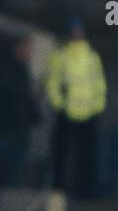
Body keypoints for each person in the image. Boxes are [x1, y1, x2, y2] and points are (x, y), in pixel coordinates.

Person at [45, 19, 106, 199]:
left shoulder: (92, 57)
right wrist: (59, 105)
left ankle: (87, 192)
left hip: (89, 113)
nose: (77, 35)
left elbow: (99, 83)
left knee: (87, 155)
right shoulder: (60, 56)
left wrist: (97, 105)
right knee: (61, 154)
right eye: (74, 31)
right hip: (67, 113)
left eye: (79, 31)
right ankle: (58, 192)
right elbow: (53, 83)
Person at [0, 35, 41, 186]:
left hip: (20, 123)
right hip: (9, 124)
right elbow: (10, 95)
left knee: (18, 160)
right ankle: (6, 190)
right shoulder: (8, 68)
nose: (28, 53)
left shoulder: (23, 70)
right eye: (26, 49)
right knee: (9, 160)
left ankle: (13, 188)